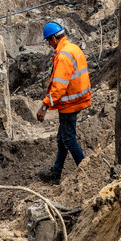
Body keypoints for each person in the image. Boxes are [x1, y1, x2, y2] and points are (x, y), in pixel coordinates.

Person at [36, 21, 90, 184]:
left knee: (68, 139)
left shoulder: (63, 56)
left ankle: (86, 172)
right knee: (63, 138)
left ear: (54, 38)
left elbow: (58, 87)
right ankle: (56, 172)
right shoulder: (73, 48)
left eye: (48, 41)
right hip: (77, 98)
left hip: (69, 103)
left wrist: (44, 106)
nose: (49, 45)